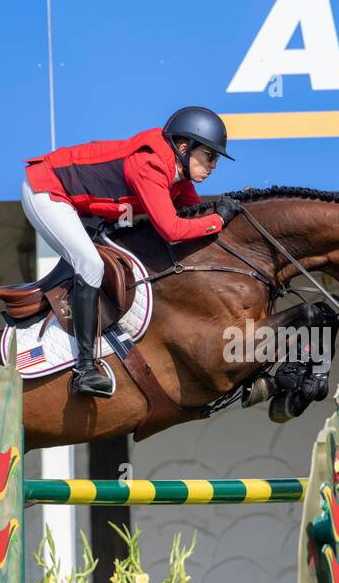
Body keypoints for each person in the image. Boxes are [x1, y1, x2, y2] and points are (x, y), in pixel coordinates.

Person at [21, 106, 242, 397]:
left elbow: (192, 217)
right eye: (210, 156)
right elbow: (173, 231)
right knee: (90, 265)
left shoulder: (179, 175)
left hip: (79, 205)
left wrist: (228, 221)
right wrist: (219, 219)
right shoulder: (150, 165)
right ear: (184, 147)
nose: (213, 166)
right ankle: (84, 369)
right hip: (47, 191)